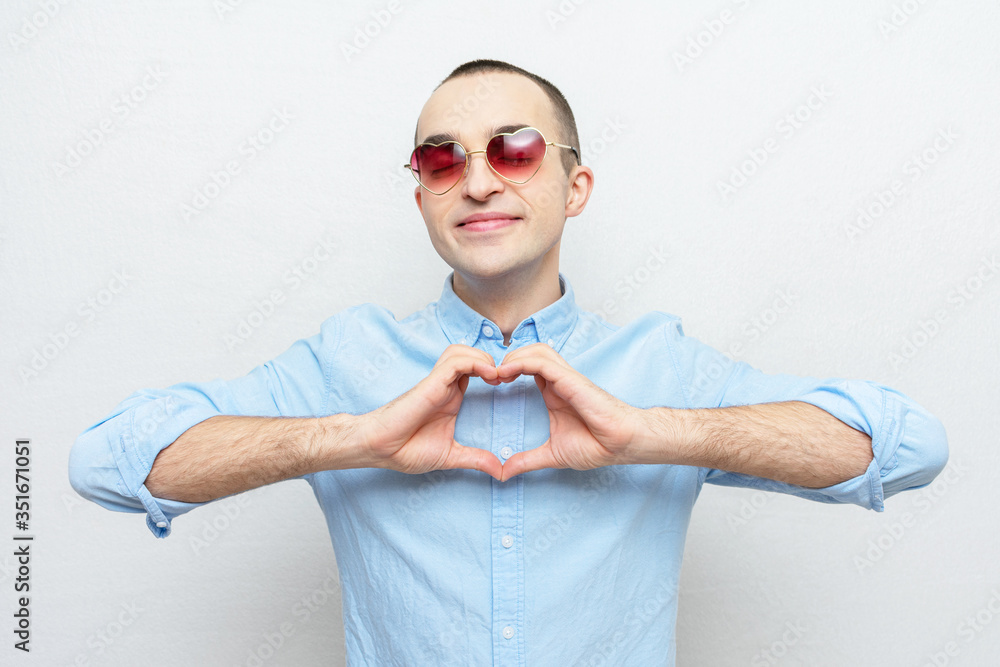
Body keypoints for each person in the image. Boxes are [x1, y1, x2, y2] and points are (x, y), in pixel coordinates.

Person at [68, 59, 949, 665]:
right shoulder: (347, 359)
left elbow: (909, 446)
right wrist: (351, 439)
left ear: (575, 186)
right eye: (441, 159)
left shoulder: (660, 362)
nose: (480, 181)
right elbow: (102, 461)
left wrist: (650, 431)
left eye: (515, 149)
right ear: (421, 195)